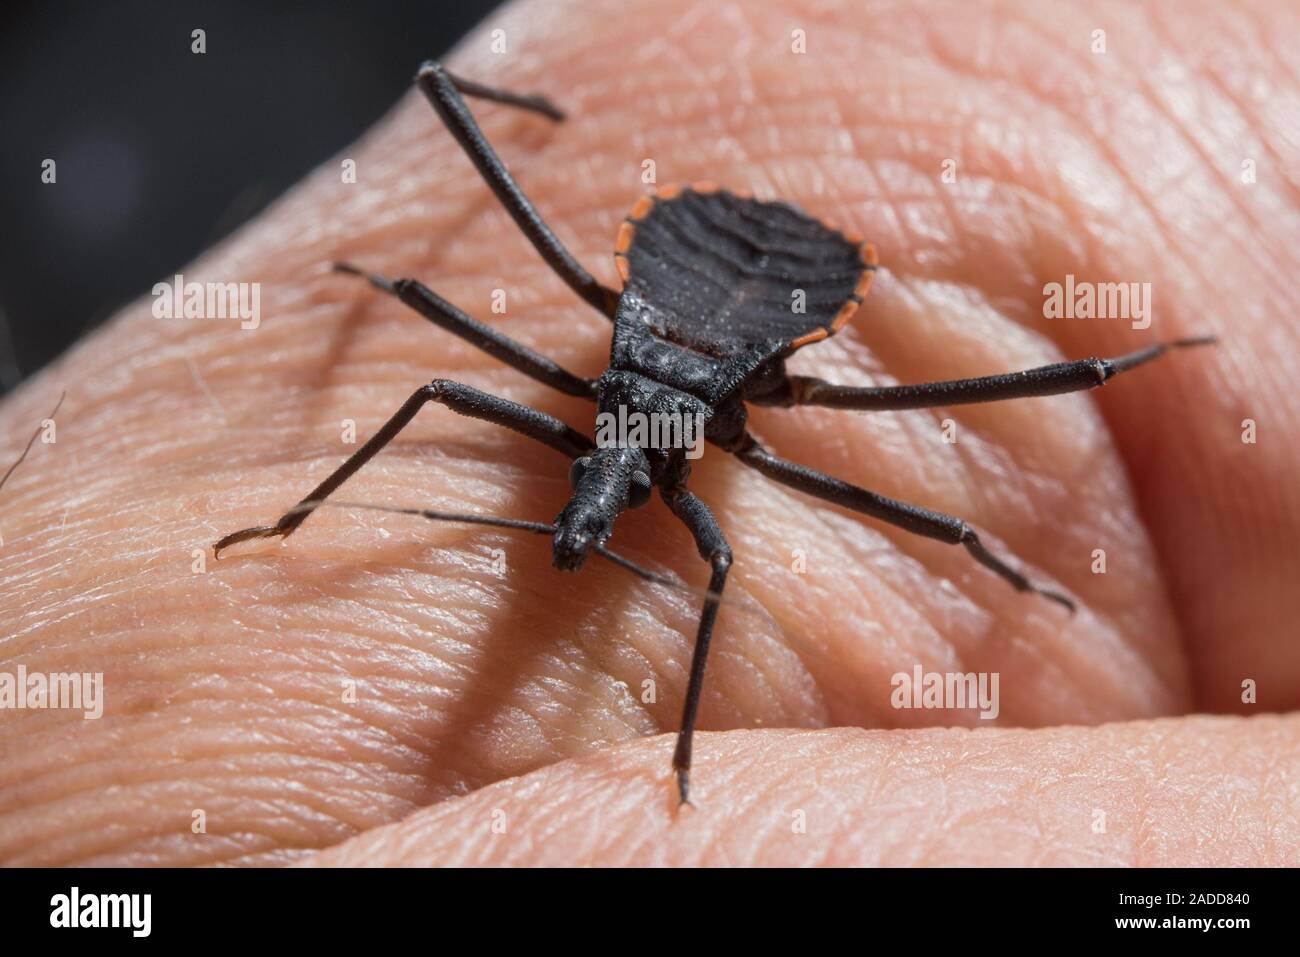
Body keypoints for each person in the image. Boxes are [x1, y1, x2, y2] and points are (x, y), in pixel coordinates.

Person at [0, 0, 1295, 866]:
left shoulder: (729, 430)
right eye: (598, 490)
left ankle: (1147, 375)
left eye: (600, 488)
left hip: (736, 314)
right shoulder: (614, 455)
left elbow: (731, 563)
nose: (595, 500)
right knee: (441, 154)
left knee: (877, 523)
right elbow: (482, 406)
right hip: (684, 302)